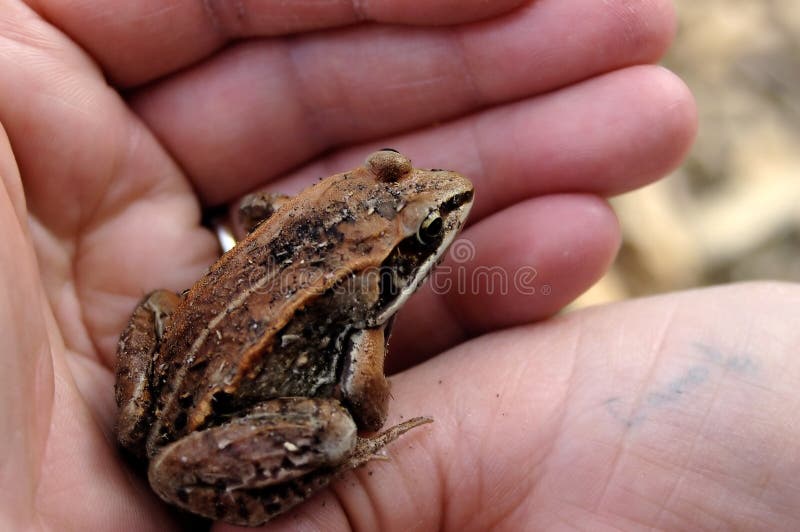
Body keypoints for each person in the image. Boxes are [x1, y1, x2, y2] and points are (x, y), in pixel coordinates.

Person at [4, 1, 792, 530]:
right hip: (202, 433)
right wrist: (361, 434)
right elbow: (370, 403)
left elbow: (253, 216)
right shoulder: (361, 318)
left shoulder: (281, 213)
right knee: (342, 430)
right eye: (415, 241)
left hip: (162, 393)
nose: (439, 200)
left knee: (156, 304)